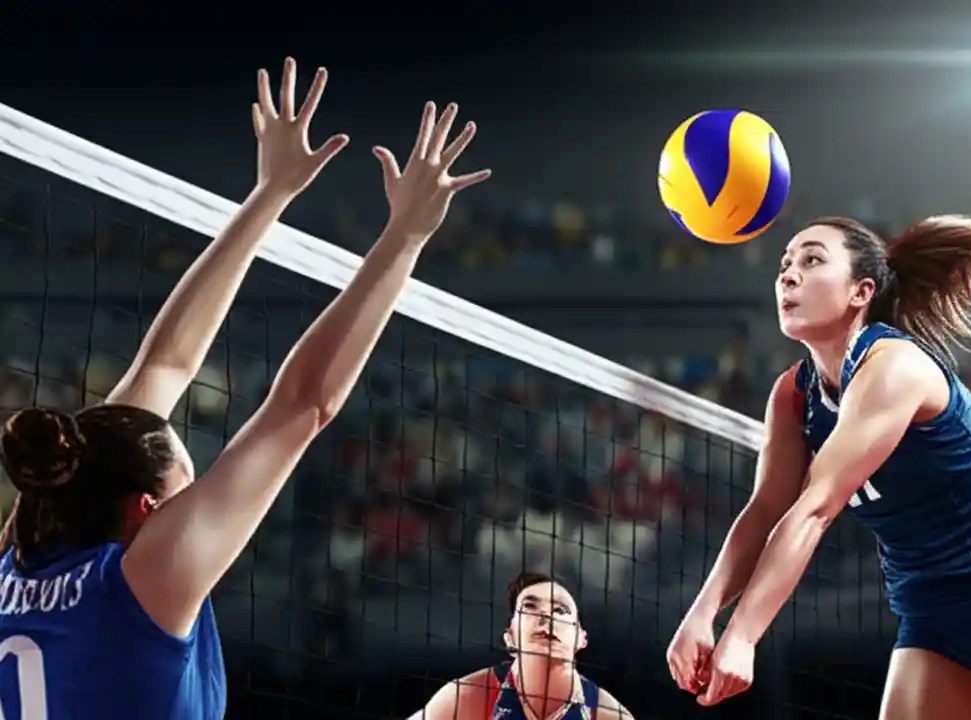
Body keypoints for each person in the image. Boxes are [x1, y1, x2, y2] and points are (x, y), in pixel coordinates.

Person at [0, 55, 490, 719]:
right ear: (149, 510)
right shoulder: (142, 579)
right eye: (189, 482)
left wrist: (270, 195)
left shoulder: (19, 563)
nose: (201, 496)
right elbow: (299, 404)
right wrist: (404, 237)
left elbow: (162, 370)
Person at [666, 215, 971, 719]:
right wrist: (702, 612)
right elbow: (764, 513)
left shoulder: (894, 366)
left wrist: (742, 635)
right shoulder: (793, 394)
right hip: (931, 614)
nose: (788, 274)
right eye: (784, 264)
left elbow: (814, 511)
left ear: (860, 291)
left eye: (812, 260)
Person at [414, 571, 632, 720]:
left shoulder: (608, 714)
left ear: (581, 638)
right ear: (510, 636)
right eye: (530, 607)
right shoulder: (465, 698)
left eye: (560, 611)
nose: (547, 617)